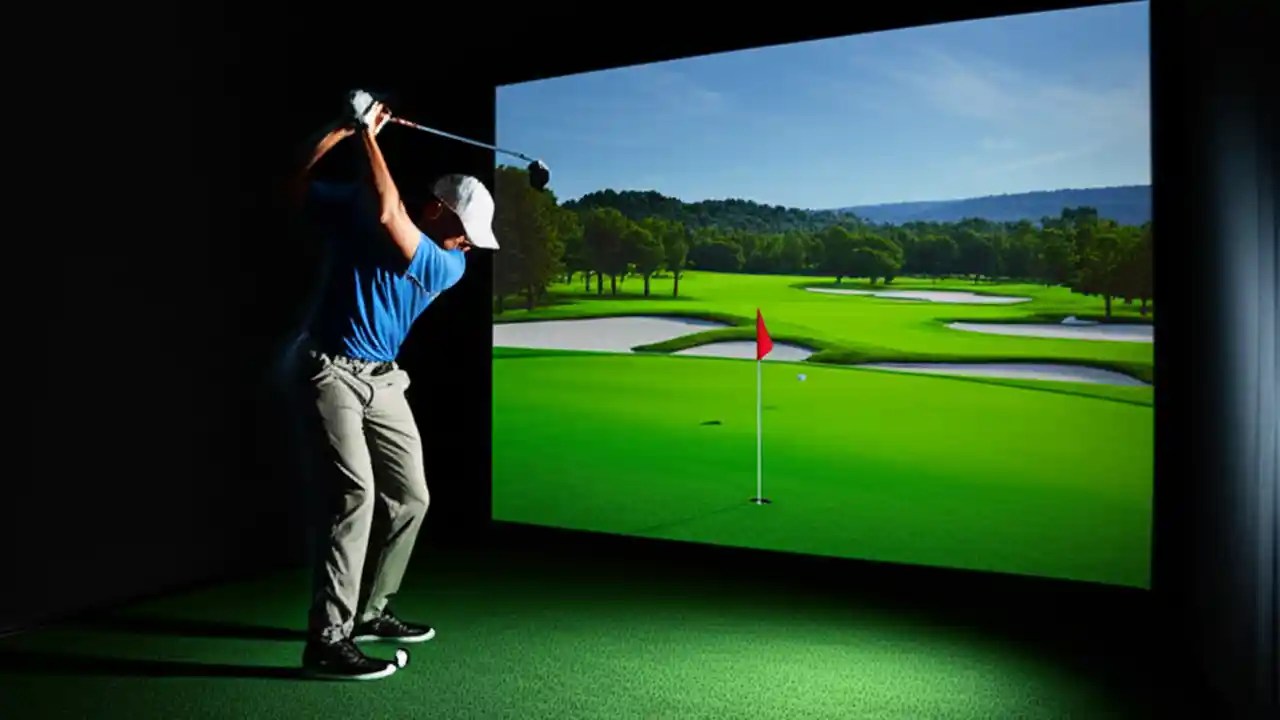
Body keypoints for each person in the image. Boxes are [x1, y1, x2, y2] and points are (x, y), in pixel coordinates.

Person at [286, 90, 499, 680]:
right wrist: (342, 130)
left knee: (412, 497)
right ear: (436, 209)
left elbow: (389, 217)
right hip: (328, 370)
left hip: (383, 382)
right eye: (463, 229)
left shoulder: (445, 264)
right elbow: (299, 185)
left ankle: (370, 610)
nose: (468, 245)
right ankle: (326, 641)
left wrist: (369, 135)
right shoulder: (367, 205)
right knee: (354, 497)